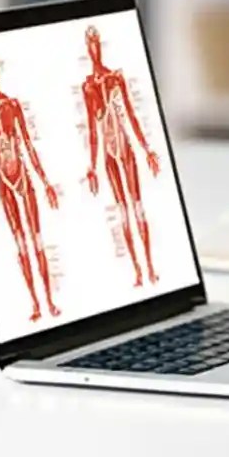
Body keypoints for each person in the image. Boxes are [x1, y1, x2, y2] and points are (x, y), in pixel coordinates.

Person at [0, 52, 61, 322]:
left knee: (36, 241)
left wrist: (45, 182)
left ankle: (49, 301)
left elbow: (26, 143)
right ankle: (36, 303)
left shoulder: (12, 105)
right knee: (21, 244)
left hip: (22, 176)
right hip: (4, 181)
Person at [82, 25, 162, 287]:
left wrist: (147, 148)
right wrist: (92, 166)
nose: (94, 48)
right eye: (89, 43)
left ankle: (150, 266)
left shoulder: (116, 78)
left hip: (125, 148)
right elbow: (93, 129)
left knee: (137, 208)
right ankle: (137, 270)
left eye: (96, 42)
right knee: (123, 212)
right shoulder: (88, 88)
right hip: (108, 153)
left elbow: (130, 114)